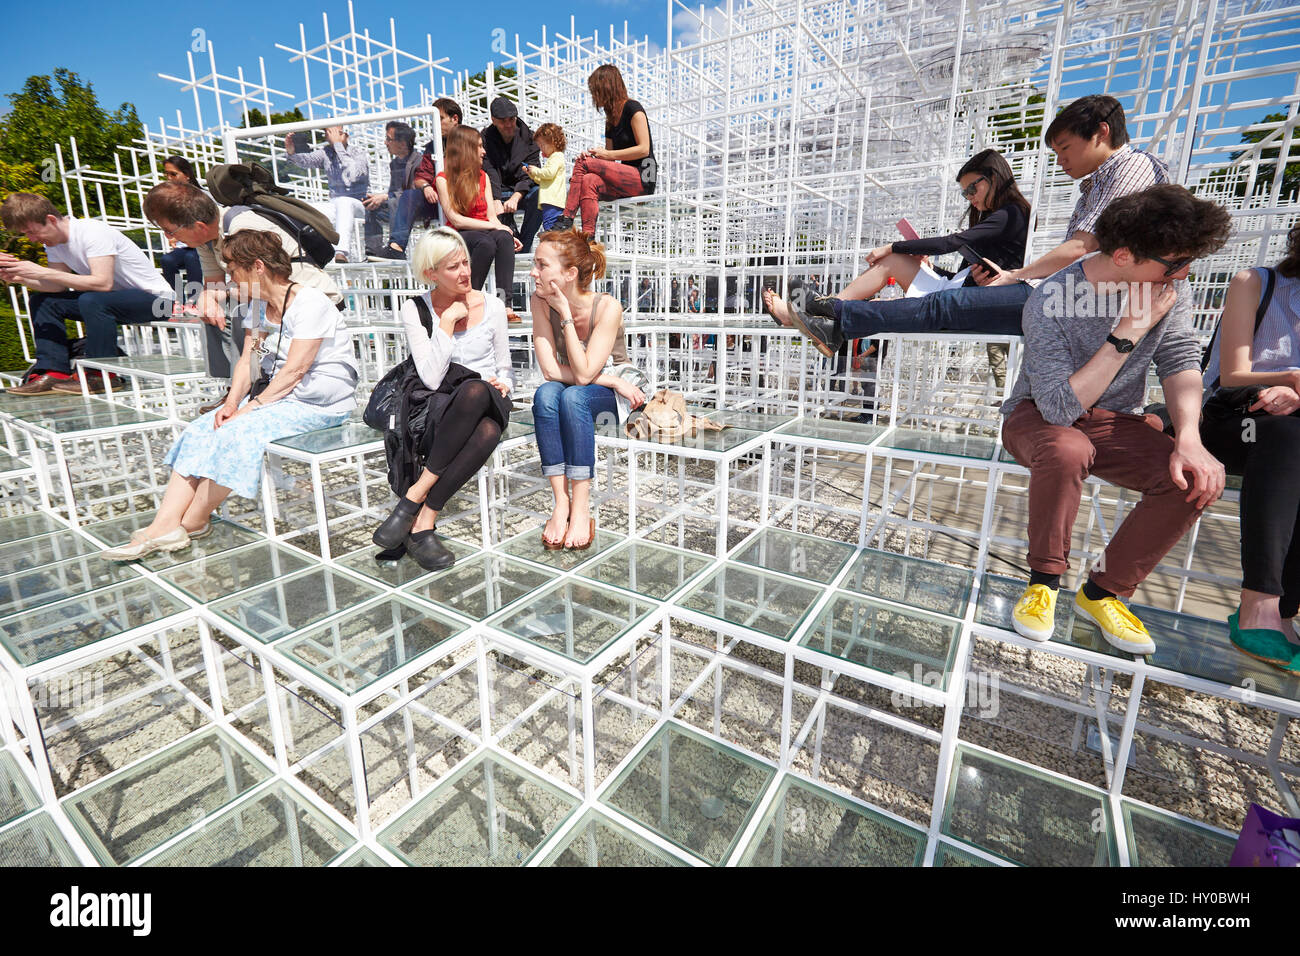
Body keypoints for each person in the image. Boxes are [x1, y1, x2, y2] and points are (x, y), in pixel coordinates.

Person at [1001, 185, 1231, 655]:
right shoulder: (1051, 299)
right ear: (1124, 255)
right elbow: (1058, 408)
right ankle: (1044, 580)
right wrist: (1127, 333)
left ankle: (1104, 592)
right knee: (1068, 448)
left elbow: (1181, 360)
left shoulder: (1169, 290)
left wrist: (1189, 437)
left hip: (1113, 419)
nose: (1184, 274)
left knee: (1193, 478)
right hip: (1036, 414)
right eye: (1174, 264)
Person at [788, 96, 1170, 356]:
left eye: (1065, 148)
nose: (1061, 161)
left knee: (942, 304)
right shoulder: (1102, 180)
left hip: (1070, 298)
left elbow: (1080, 248)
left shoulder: (1129, 169)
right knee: (942, 303)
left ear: (1101, 132)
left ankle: (836, 315)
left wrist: (1015, 276)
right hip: (1065, 295)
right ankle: (836, 320)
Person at [99, 229, 357, 560]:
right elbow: (248, 360)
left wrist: (251, 409)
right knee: (203, 427)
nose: (229, 277)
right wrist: (233, 402)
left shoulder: (310, 302)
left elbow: (296, 370)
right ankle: (163, 525)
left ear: (258, 266)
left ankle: (193, 521)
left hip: (320, 403)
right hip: (280, 398)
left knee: (237, 431)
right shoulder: (257, 306)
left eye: (233, 267)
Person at [765, 148, 1031, 387]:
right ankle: (822, 309)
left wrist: (893, 246)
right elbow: (961, 275)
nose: (969, 198)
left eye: (971, 189)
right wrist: (932, 268)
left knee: (893, 256)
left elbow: (952, 242)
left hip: (967, 299)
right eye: (965, 193)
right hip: (956, 289)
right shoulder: (999, 217)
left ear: (993, 178)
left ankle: (808, 315)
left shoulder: (1013, 213)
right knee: (893, 262)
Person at [371, 228, 513, 570]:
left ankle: (413, 500)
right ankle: (423, 524)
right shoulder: (416, 309)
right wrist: (446, 324)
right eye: (453, 267)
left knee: (478, 389)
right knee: (488, 431)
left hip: (488, 396)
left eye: (465, 262)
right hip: (439, 408)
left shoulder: (492, 305)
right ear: (430, 273)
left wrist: (504, 382)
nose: (465, 272)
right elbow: (432, 377)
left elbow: (505, 367)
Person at [1199, 220, 1300, 669]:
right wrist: (1290, 378)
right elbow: (1233, 374)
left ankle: (1286, 610)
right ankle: (1258, 605)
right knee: (1287, 434)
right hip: (1228, 419)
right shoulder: (1256, 282)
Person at [142, 180, 343, 406]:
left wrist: (211, 295)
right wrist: (206, 298)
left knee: (244, 311)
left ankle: (250, 390)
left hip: (308, 298)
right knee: (213, 312)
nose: (171, 239)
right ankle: (236, 386)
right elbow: (215, 286)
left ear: (198, 226)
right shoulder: (205, 240)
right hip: (266, 300)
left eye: (170, 231)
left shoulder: (241, 227)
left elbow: (257, 288)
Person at [530, 229, 645, 550]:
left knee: (574, 396)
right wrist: (606, 378)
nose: (533, 272)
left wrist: (565, 313)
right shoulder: (538, 301)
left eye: (541, 265)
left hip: (621, 394)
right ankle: (560, 502)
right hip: (597, 381)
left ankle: (580, 507)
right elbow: (550, 370)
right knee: (545, 395)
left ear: (569, 274)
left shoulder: (607, 307)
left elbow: (581, 376)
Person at [0, 193, 173, 395]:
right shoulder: (54, 243)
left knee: (92, 299)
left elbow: (102, 282)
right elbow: (56, 286)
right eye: (26, 234)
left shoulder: (92, 232)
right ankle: (53, 371)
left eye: (32, 232)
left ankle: (102, 374)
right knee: (43, 300)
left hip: (158, 301)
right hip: (112, 300)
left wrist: (41, 271)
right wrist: (19, 276)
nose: (32, 239)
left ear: (51, 220)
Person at [553, 65, 655, 237]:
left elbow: (644, 149)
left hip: (644, 176)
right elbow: (609, 162)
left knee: (583, 164)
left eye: (595, 91)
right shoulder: (610, 120)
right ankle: (588, 238)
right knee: (589, 179)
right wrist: (596, 156)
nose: (593, 96)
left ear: (606, 87)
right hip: (623, 179)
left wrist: (605, 155)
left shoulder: (633, 108)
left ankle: (567, 217)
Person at [435, 125, 521, 294]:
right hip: (459, 233)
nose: (484, 152)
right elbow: (456, 220)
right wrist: (495, 227)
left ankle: (505, 303)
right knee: (486, 243)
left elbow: (492, 217)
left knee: (504, 238)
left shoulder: (483, 176)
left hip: (484, 230)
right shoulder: (443, 179)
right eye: (479, 146)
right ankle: (469, 296)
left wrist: (506, 231)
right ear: (465, 149)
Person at [376, 98, 462, 260]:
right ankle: (396, 248)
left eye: (440, 119)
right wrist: (425, 186)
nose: (435, 124)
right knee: (409, 195)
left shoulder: (469, 140)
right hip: (437, 201)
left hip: (462, 198)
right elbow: (421, 176)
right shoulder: (432, 146)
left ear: (454, 119)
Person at [285, 125, 370, 263]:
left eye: (336, 133)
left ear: (346, 135)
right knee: (303, 208)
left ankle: (341, 252)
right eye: (329, 132)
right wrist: (291, 152)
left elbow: (354, 174)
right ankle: (303, 254)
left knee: (344, 201)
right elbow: (306, 161)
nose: (331, 136)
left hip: (360, 204)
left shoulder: (359, 153)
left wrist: (338, 146)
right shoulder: (326, 153)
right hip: (336, 205)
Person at [482, 97, 543, 252]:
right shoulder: (484, 139)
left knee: (542, 195)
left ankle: (525, 244)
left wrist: (516, 196)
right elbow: (489, 171)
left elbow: (531, 171)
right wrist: (495, 199)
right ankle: (510, 243)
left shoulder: (531, 138)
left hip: (523, 191)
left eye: (512, 119)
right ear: (493, 120)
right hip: (497, 192)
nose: (509, 124)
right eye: (503, 121)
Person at [362, 121, 421, 260]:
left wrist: (385, 197)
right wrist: (379, 199)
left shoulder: (419, 161)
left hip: (416, 207)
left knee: (395, 200)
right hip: (398, 205)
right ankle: (373, 253)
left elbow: (413, 193)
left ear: (402, 143)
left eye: (389, 139)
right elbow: (394, 192)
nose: (385, 142)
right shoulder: (394, 164)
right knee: (371, 205)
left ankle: (396, 249)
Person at [158, 155, 204, 303]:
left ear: (187, 175)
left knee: (192, 258)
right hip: (185, 246)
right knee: (167, 260)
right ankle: (177, 301)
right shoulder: (170, 199)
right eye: (167, 174)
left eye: (173, 174)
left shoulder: (202, 197)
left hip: (203, 245)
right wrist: (172, 235)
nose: (169, 178)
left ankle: (194, 300)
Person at [524, 123, 568, 233]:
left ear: (552, 142)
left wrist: (536, 171)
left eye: (542, 145)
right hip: (550, 201)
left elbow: (549, 173)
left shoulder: (557, 156)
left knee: (550, 227)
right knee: (549, 225)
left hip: (553, 201)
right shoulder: (554, 158)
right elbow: (543, 180)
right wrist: (531, 174)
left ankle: (553, 246)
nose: (541, 149)